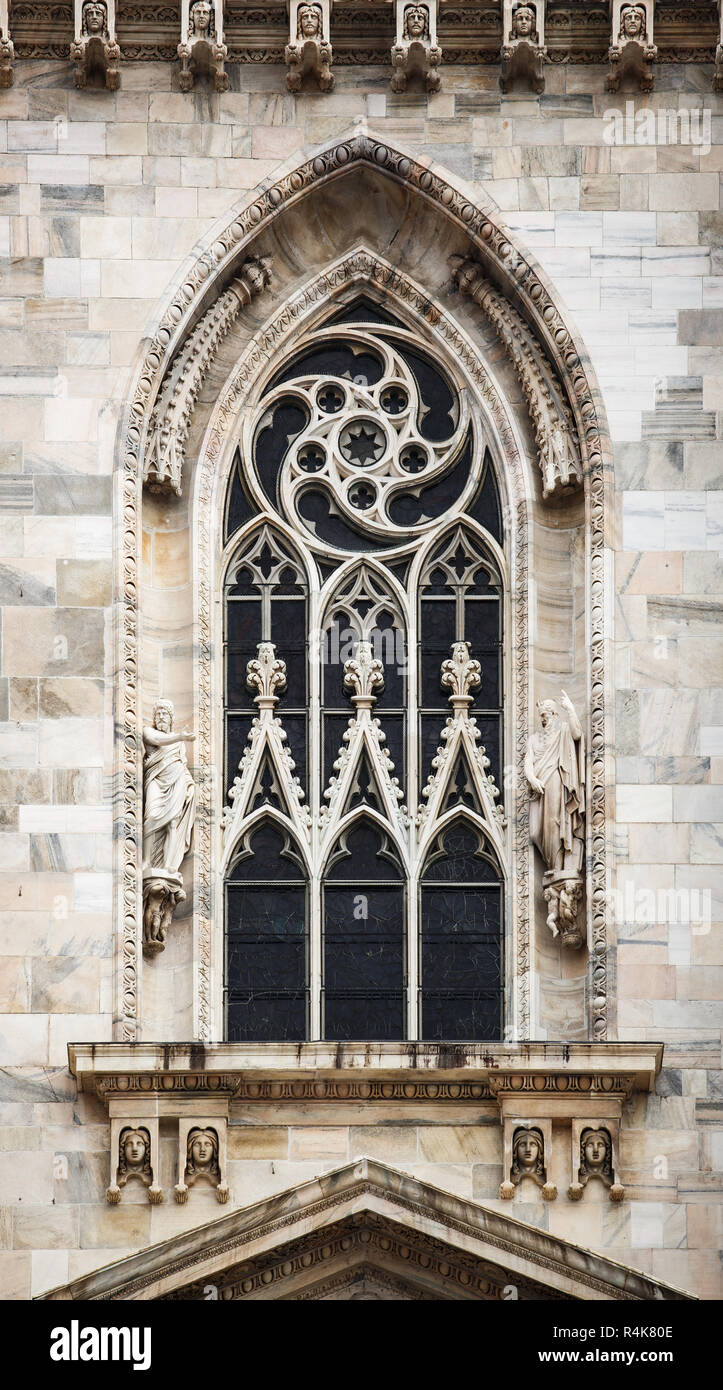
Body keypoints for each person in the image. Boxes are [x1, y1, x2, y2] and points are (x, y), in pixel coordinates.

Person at [142, 700, 196, 875]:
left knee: (173, 823)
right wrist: (180, 736)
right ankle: (146, 861)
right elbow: (156, 739)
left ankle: (168, 865)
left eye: (165, 714)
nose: (161, 717)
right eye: (158, 714)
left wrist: (189, 785)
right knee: (151, 816)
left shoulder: (178, 743)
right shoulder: (149, 732)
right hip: (156, 780)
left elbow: (182, 764)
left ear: (171, 718)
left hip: (177, 781)